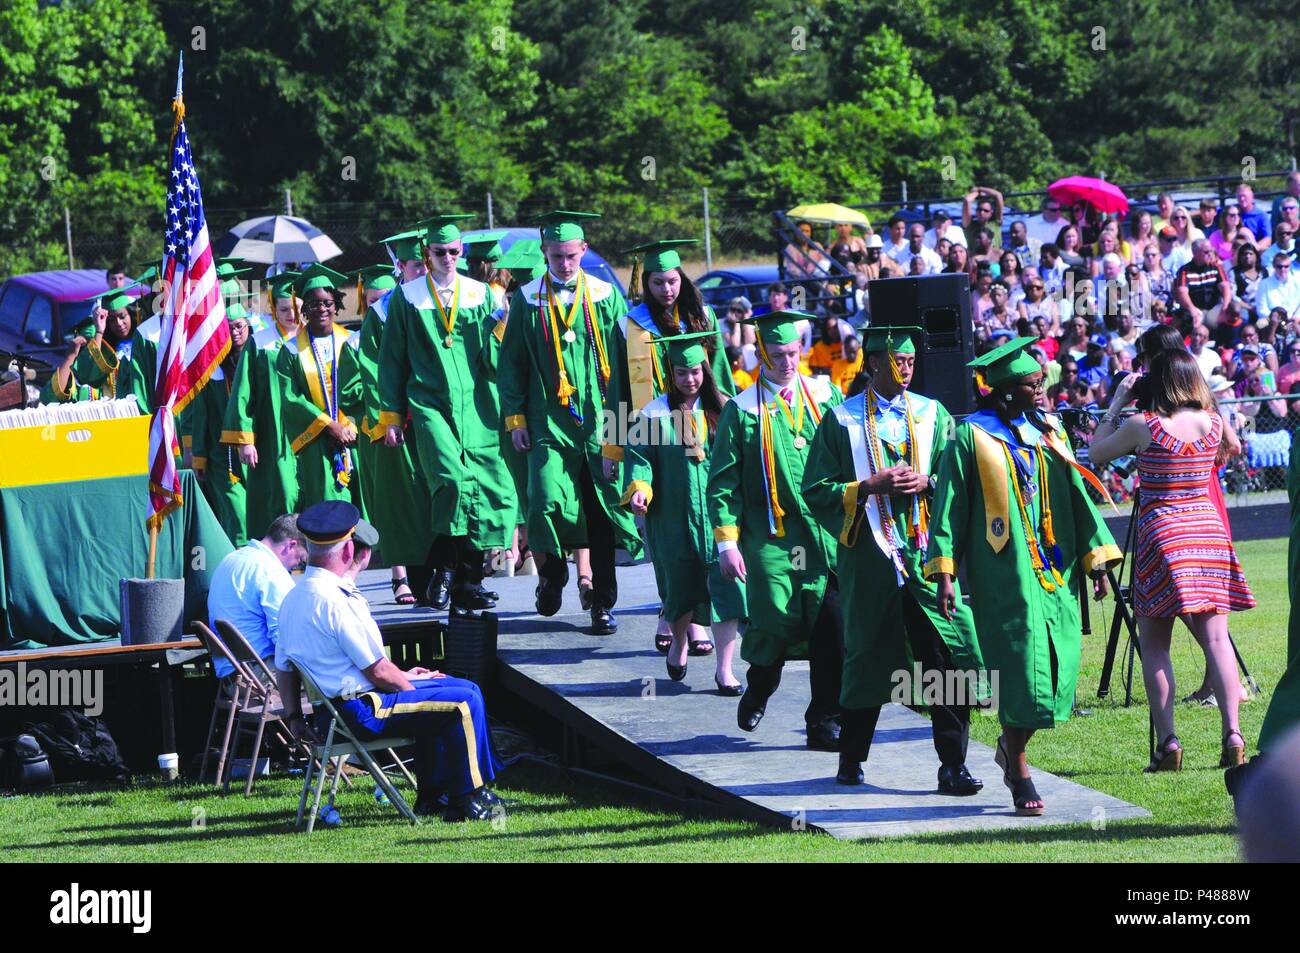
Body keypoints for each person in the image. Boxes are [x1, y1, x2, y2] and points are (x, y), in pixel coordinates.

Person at [925, 337, 1121, 815]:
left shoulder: (1050, 430)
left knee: (1060, 673)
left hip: (1054, 565)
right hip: (1004, 571)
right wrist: (946, 572)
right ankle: (1020, 767)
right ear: (1005, 391)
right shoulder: (969, 435)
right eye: (1032, 385)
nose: (1041, 391)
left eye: (1040, 383)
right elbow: (948, 505)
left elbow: (1075, 494)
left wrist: (1095, 560)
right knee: (1021, 673)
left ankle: (1010, 749)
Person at [803, 326, 985, 792]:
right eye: (893, 362)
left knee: (944, 654)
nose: (904, 370)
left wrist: (927, 483)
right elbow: (815, 490)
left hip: (926, 558)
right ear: (871, 366)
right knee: (867, 657)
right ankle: (850, 758)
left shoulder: (932, 415)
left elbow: (958, 477)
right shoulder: (839, 421)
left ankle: (952, 766)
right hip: (869, 559)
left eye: (908, 362)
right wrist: (867, 486)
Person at [274, 501, 502, 821]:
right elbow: (379, 670)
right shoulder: (335, 600)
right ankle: (464, 798)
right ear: (350, 549)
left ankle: (438, 794)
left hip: (334, 713)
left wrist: (294, 717)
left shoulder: (294, 597)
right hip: (361, 710)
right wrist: (412, 686)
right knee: (463, 699)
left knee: (456, 687)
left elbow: (284, 668)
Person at [1089, 349, 1255, 771]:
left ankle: (1169, 744)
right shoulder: (1213, 421)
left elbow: (1096, 454)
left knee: (1156, 644)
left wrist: (1116, 402)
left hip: (1163, 534)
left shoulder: (1143, 425)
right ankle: (1233, 736)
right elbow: (1230, 451)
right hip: (1208, 529)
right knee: (1217, 640)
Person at [498, 210, 642, 633]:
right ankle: (553, 573)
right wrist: (517, 418)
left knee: (600, 514)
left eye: (571, 256)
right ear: (545, 252)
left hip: (599, 422)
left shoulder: (603, 294)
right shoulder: (528, 299)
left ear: (583, 250)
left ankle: (602, 602)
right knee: (543, 500)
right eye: (556, 256)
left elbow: (625, 360)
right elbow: (513, 366)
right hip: (548, 421)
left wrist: (626, 424)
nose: (564, 264)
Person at [708, 310, 844, 749]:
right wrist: (728, 543)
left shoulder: (825, 397)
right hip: (771, 538)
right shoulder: (743, 411)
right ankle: (760, 685)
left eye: (793, 352)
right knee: (773, 622)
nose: (787, 362)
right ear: (761, 353)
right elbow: (724, 481)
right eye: (778, 354)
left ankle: (823, 720)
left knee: (832, 628)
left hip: (824, 536)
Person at [379, 214, 517, 618]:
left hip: (479, 404)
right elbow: (392, 362)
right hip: (430, 404)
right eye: (439, 252)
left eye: (454, 251)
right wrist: (391, 417)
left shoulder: (482, 296)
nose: (447, 258)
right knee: (452, 482)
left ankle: (469, 581)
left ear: (462, 252)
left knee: (490, 490)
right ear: (428, 253)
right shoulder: (407, 298)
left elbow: (496, 361)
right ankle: (442, 564)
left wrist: (503, 325)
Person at [610, 239, 736, 653]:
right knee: (667, 539)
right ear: (646, 283)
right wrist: (614, 448)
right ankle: (671, 609)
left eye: (673, 280)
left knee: (701, 534)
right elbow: (619, 392)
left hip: (701, 431)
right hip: (654, 438)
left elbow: (718, 376)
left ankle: (696, 624)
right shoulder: (632, 325)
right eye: (658, 282)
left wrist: (734, 426)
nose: (667, 289)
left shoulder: (703, 317)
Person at [622, 332, 746, 692]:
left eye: (694, 372)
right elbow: (640, 459)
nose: (689, 379)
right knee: (679, 591)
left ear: (705, 371)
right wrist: (640, 490)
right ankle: (679, 640)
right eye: (681, 373)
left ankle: (725, 669)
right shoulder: (655, 414)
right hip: (672, 520)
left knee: (728, 594)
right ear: (670, 374)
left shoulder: (726, 410)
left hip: (719, 521)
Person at [351, 258, 434, 607]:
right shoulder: (369, 328)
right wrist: (390, 417)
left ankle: (446, 573)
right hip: (391, 427)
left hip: (429, 420)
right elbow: (368, 378)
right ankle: (402, 575)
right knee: (400, 504)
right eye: (372, 298)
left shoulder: (432, 305)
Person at [272, 265, 363, 516]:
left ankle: (362, 554)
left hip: (354, 434)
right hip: (316, 439)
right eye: (313, 304)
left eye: (326, 302)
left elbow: (363, 388)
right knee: (326, 501)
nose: (321, 308)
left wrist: (349, 426)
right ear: (304, 310)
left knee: (361, 496)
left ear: (336, 306)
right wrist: (329, 426)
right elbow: (291, 399)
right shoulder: (290, 352)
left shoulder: (353, 341)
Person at [221, 271, 303, 538]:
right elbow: (242, 393)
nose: (291, 314)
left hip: (312, 430)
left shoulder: (312, 339)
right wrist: (245, 439)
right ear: (272, 308)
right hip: (274, 434)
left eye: (297, 308)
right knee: (284, 493)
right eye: (284, 309)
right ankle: (287, 553)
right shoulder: (261, 342)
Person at [206, 513, 305, 679]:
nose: (297, 566)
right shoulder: (270, 569)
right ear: (291, 545)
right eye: (300, 559)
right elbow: (284, 636)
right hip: (260, 673)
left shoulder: (230, 559)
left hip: (231, 675)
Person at [192, 299, 253, 546]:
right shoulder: (211, 369)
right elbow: (200, 417)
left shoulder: (258, 359)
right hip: (224, 459)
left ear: (248, 326)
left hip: (258, 452)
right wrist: (198, 457)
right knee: (237, 517)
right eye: (229, 328)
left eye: (239, 326)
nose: (235, 333)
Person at [1173, 239, 1231, 330]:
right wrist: (1192, 309)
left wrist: (1226, 306)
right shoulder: (1184, 270)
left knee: (1229, 312)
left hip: (1214, 307)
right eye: (1206, 252)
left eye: (1211, 250)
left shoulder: (1216, 267)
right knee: (1187, 318)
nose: (1210, 254)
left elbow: (1225, 287)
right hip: (1195, 308)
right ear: (1195, 253)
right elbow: (1182, 292)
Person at [1256, 250, 1300, 322]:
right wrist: (1278, 319)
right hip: (1271, 321)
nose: (1283, 269)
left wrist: (1296, 317)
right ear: (1274, 266)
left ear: (1290, 266)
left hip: (1294, 320)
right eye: (1279, 266)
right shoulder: (1264, 284)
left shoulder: (1297, 282)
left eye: (1286, 266)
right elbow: (1261, 310)